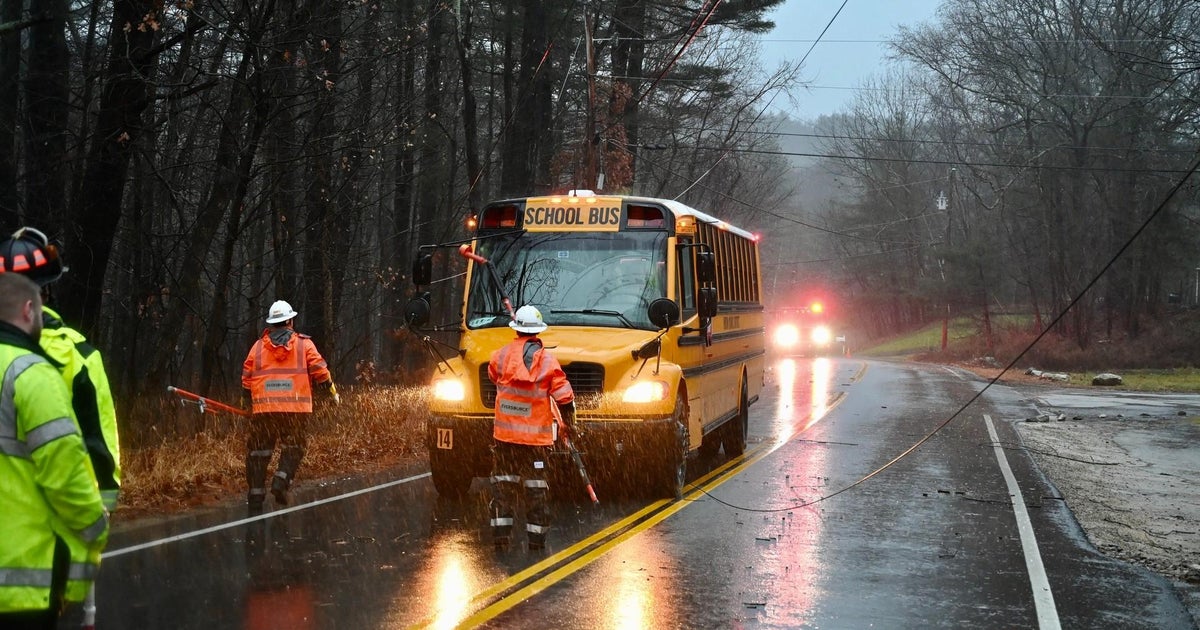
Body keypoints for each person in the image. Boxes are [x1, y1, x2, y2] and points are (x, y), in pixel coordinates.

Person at [0, 227, 120, 614]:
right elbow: (97, 449)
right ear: (46, 291)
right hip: (40, 558)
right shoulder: (76, 355)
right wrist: (96, 527)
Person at [488, 305, 578, 550]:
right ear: (539, 333)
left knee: (503, 487)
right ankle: (536, 540)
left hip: (505, 439)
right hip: (536, 443)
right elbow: (564, 397)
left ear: (515, 330)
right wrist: (569, 423)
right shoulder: (548, 361)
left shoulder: (500, 356)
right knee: (536, 489)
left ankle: (501, 538)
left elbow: (494, 376)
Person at [242, 300, 338, 514]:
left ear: (272, 323)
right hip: (295, 411)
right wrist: (332, 393)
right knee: (293, 448)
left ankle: (256, 496)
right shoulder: (304, 345)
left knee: (258, 452)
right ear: (290, 321)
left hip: (264, 411)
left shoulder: (257, 348)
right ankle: (281, 480)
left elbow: (246, 379)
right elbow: (321, 372)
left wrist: (247, 404)